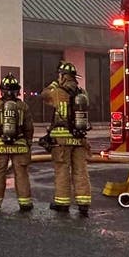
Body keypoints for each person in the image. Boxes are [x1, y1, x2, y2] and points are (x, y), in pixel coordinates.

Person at [41, 61, 92, 215]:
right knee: (80, 170)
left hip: (62, 139)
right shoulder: (82, 93)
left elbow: (44, 95)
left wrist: (54, 84)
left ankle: (62, 203)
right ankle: (84, 204)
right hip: (79, 138)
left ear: (62, 76)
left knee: (62, 170)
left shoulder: (58, 91)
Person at [0, 75, 34, 212]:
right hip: (19, 145)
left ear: (2, 90)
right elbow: (28, 127)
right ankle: (25, 203)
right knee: (21, 173)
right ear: (17, 91)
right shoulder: (23, 106)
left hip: (0, 145)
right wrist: (28, 142)